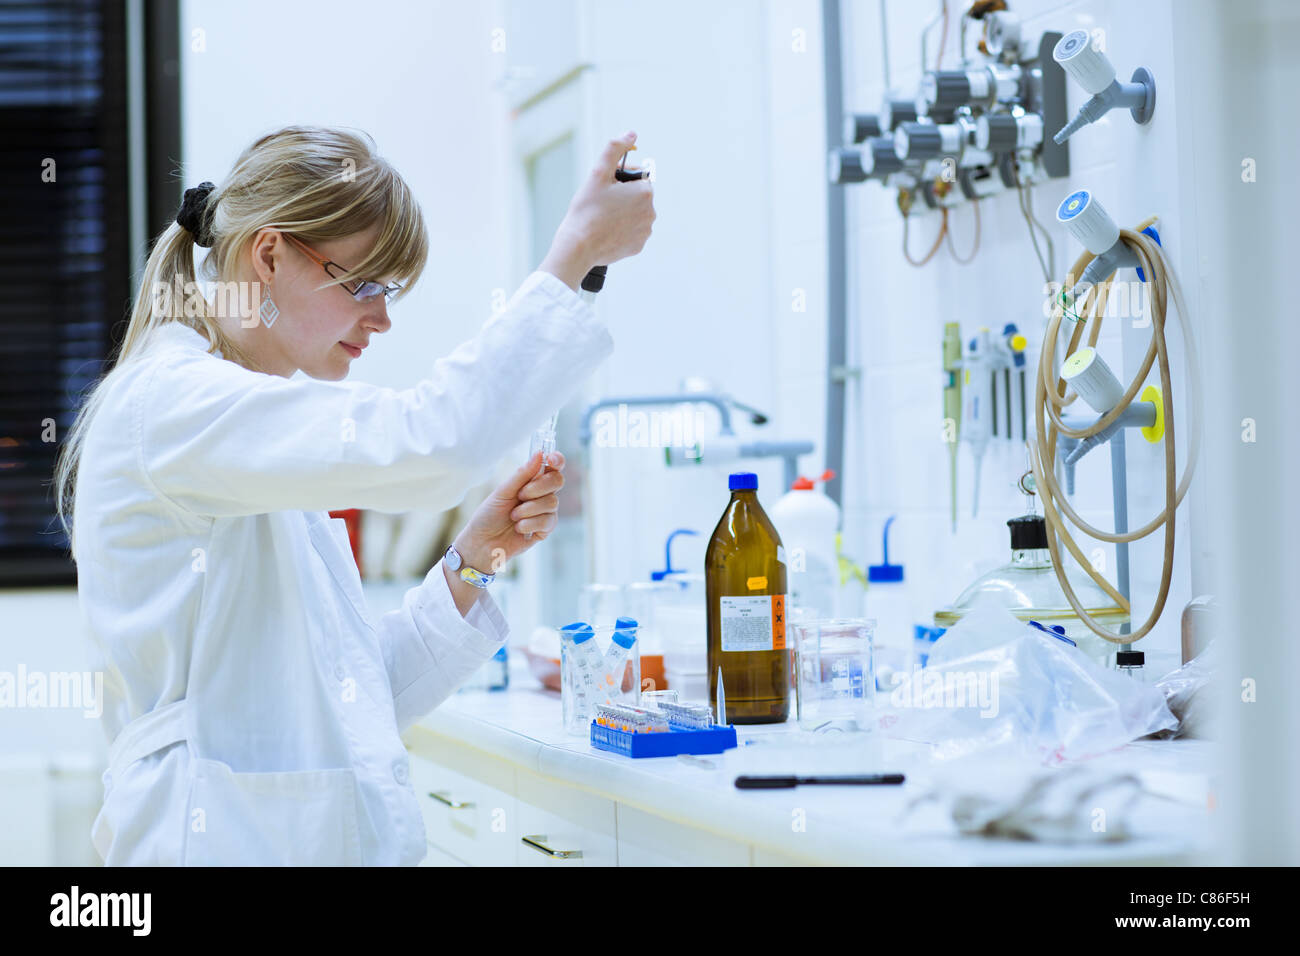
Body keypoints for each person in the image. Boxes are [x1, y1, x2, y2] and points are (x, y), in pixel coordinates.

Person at [53, 125, 655, 865]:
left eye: (388, 290)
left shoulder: (246, 429)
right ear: (269, 254)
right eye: (362, 283)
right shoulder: (178, 405)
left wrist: (476, 557)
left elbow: (353, 698)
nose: (381, 316)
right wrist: (574, 256)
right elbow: (433, 441)